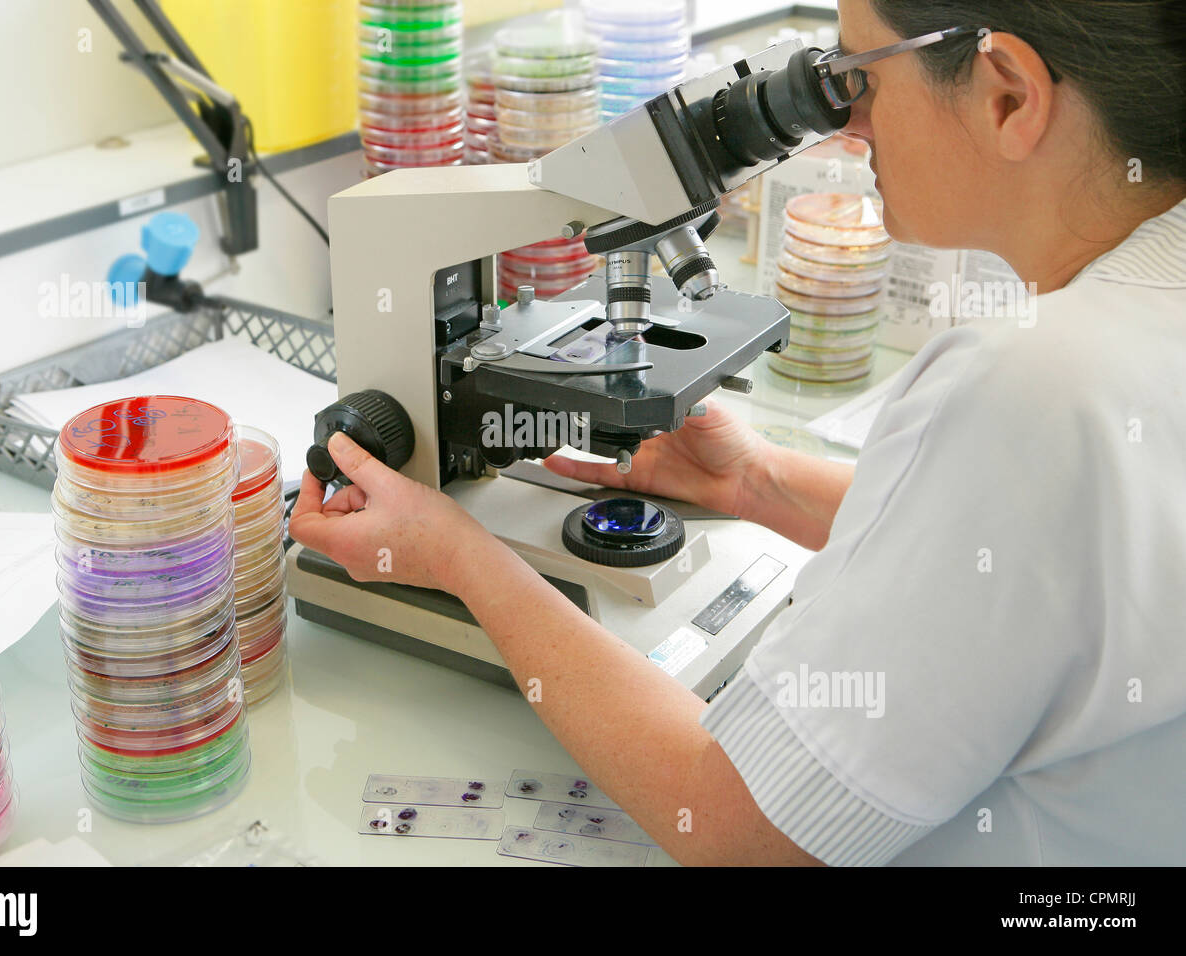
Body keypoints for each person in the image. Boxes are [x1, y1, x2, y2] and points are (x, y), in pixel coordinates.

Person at [291, 0, 1186, 865]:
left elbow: (736, 825)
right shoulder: (1114, 340)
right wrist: (756, 483)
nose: (845, 124)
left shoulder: (1031, 387)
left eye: (857, 75)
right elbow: (1047, 567)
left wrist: (460, 556)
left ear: (1007, 93)